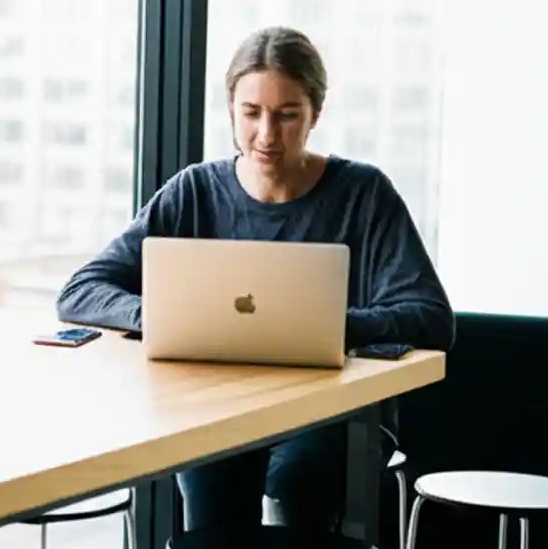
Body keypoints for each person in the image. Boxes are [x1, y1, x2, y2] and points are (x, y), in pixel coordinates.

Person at [56, 26, 455, 532]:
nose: (267, 134)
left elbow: (431, 318)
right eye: (251, 114)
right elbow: (81, 290)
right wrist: (159, 317)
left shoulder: (364, 193)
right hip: (218, 412)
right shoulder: (195, 191)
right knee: (211, 492)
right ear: (231, 111)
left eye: (287, 115)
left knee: (301, 480)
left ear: (315, 114)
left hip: (333, 414)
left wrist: (325, 327)